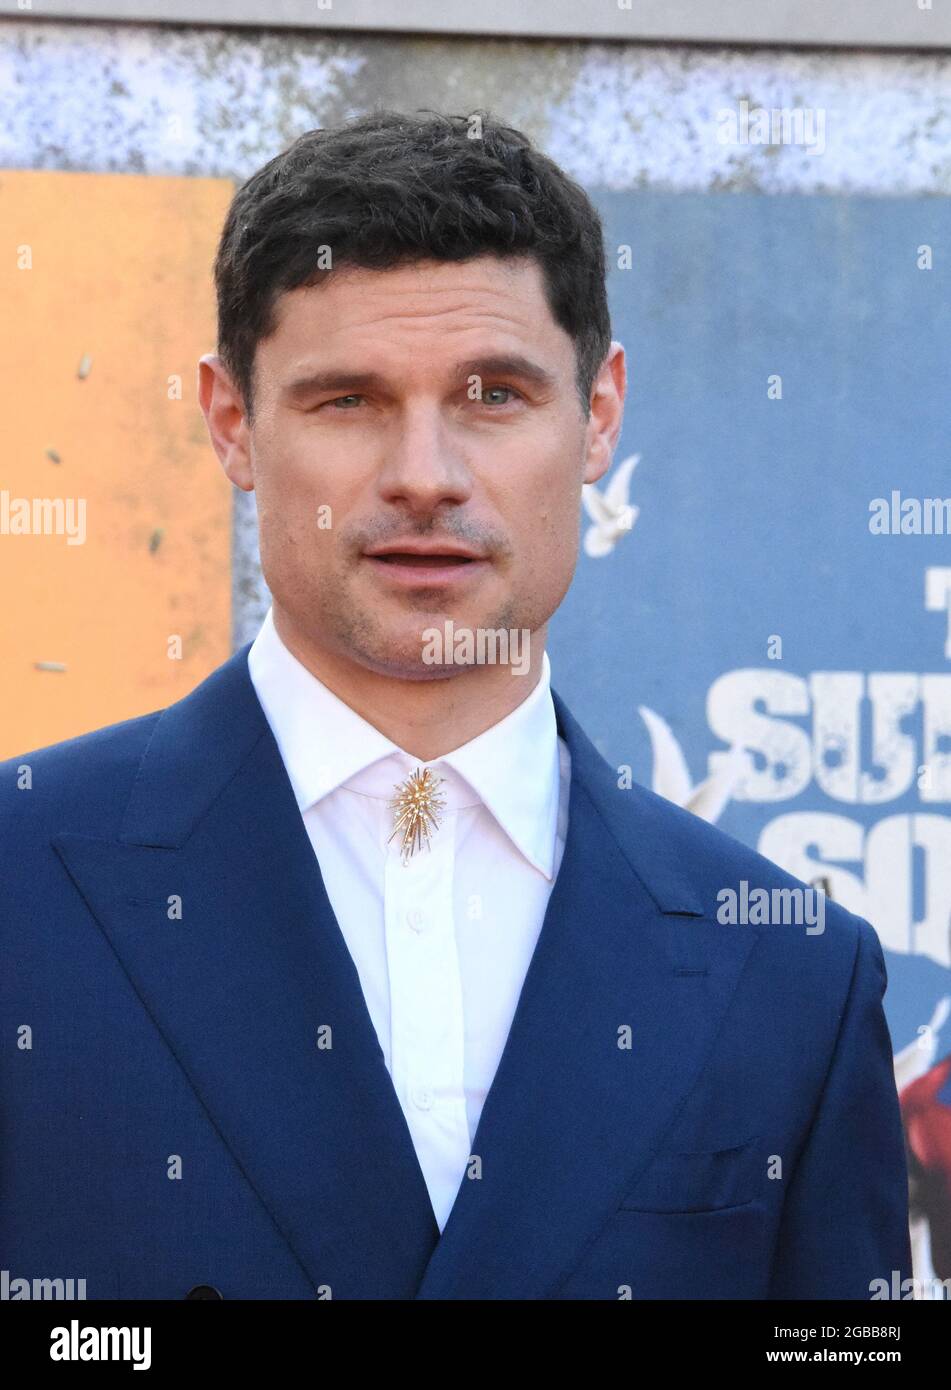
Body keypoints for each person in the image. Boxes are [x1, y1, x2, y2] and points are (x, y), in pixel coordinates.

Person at [0, 110, 910, 1300]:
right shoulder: (19, 883)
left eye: (493, 396)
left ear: (599, 413)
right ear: (232, 423)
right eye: (347, 400)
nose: (423, 476)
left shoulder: (792, 972)